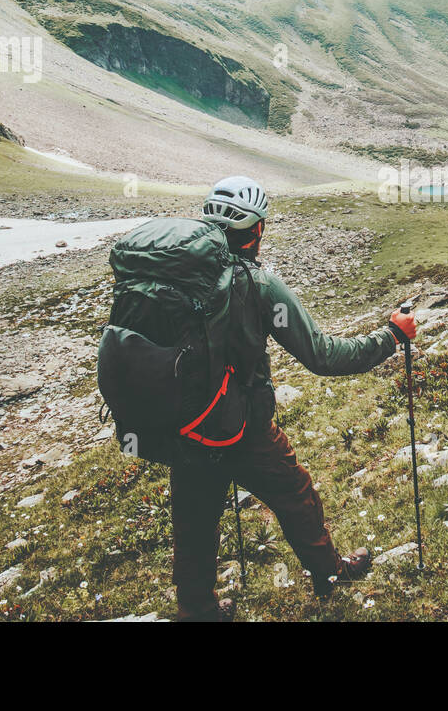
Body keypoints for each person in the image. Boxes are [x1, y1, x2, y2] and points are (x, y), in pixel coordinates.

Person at [171, 175, 416, 620]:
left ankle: (197, 609)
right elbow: (322, 356)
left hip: (184, 430)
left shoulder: (171, 278)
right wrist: (390, 337)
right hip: (244, 430)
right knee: (295, 494)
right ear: (257, 231)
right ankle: (329, 574)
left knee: (193, 524)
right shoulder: (260, 286)